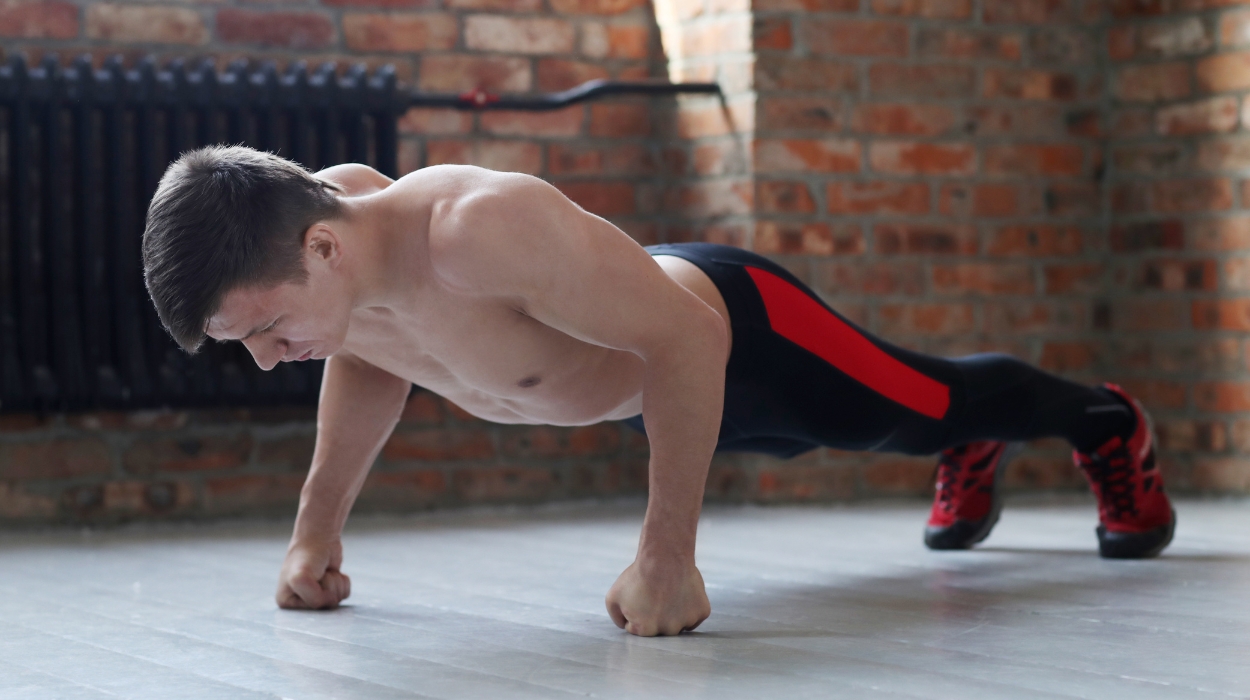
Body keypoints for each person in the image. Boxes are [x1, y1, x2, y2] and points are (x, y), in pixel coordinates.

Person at [142, 146, 1176, 638]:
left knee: (926, 404)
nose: (267, 359)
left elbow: (684, 338)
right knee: (889, 432)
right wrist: (314, 533)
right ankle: (967, 447)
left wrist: (666, 560)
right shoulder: (335, 252)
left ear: (321, 248)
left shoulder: (472, 230)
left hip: (739, 331)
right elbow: (373, 361)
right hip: (656, 394)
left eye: (265, 330)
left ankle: (1103, 421)